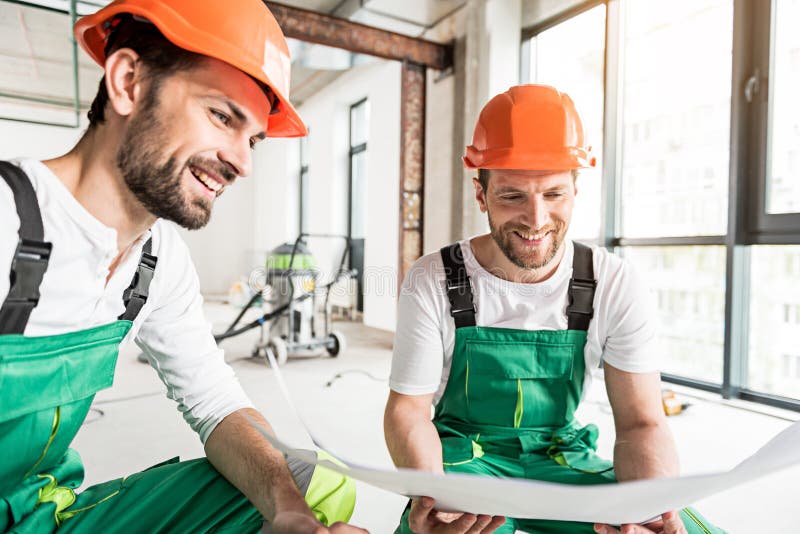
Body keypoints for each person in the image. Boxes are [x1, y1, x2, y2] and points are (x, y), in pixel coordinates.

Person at [0, 1, 366, 532]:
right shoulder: (8, 220)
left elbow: (215, 403)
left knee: (315, 484)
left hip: (45, 514)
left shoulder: (157, 260)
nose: (243, 163)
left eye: (253, 139)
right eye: (222, 116)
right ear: (128, 82)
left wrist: (287, 510)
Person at [384, 84, 726, 534]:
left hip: (561, 459)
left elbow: (641, 422)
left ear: (575, 190)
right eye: (512, 195)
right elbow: (407, 410)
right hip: (464, 462)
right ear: (481, 194)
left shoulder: (613, 282)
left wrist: (652, 511)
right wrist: (433, 496)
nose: (536, 218)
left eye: (553, 194)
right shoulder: (434, 278)